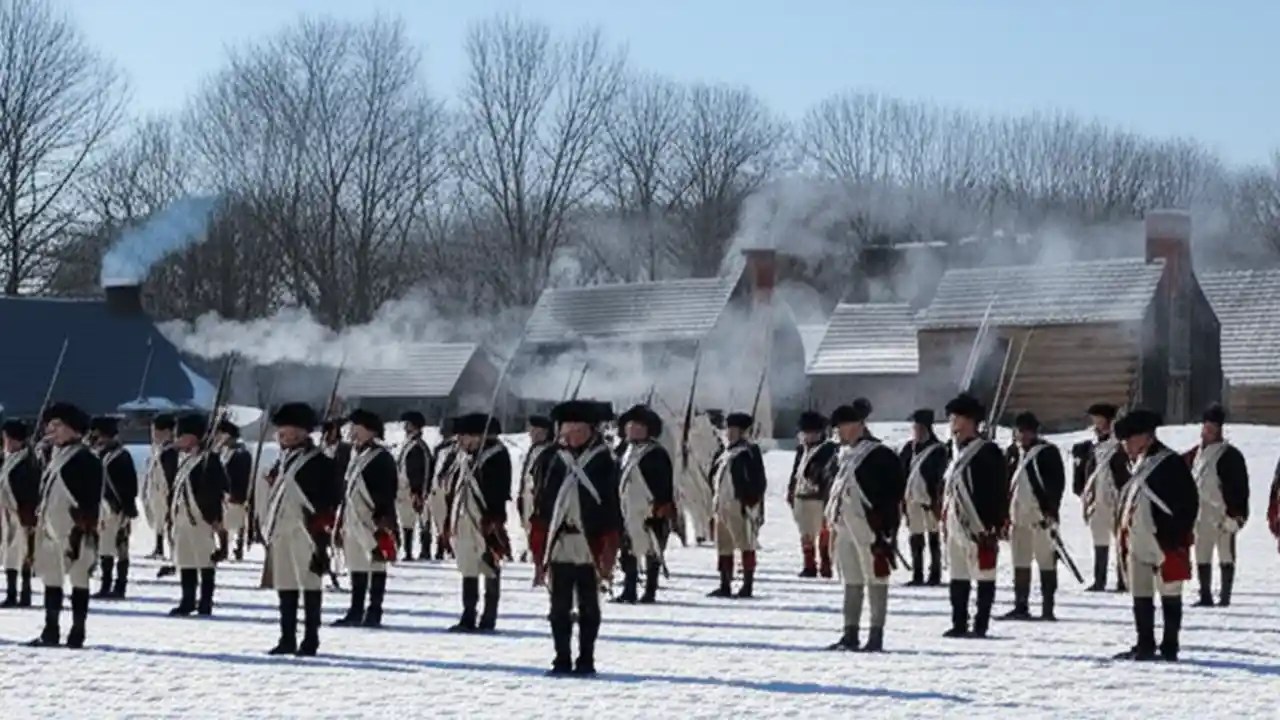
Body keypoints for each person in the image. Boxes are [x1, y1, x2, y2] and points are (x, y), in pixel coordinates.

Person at [530, 399, 621, 675]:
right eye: (567, 430)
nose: (571, 436)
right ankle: (561, 658)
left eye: (578, 430)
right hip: (560, 543)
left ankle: (586, 659)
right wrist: (539, 544)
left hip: (589, 543)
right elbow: (542, 502)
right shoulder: (551, 459)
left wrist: (609, 548)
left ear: (591, 431)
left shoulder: (604, 461)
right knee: (559, 607)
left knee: (589, 605)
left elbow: (612, 508)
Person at [1113, 409, 1199, 661]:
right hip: (1137, 541)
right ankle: (1145, 644)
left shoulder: (1170, 463)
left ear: (1146, 437)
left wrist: (1173, 539)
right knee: (1140, 593)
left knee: (1170, 592)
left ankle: (1170, 646)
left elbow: (1187, 504)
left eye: (1129, 439)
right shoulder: (1137, 465)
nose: (1126, 445)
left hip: (1164, 542)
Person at [823, 399, 905, 652]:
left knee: (876, 579)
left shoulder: (879, 455)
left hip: (870, 527)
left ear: (858, 426)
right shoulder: (841, 457)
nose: (838, 432)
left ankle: (876, 634)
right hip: (844, 525)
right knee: (851, 579)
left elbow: (892, 495)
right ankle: (850, 632)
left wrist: (886, 531)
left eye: (842, 426)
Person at [258, 402, 338, 656]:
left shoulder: (320, 462)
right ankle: (287, 638)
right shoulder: (282, 461)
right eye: (281, 430)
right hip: (281, 530)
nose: (283, 434)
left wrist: (321, 531)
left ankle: (310, 639)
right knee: (286, 585)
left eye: (289, 430)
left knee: (309, 585)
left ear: (303, 432)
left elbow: (329, 498)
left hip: (306, 531)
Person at [29, 402, 103, 648]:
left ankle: (77, 631)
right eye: (50, 425)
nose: (51, 430)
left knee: (79, 580)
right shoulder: (54, 457)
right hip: (50, 529)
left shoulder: (85, 459)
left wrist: (84, 527)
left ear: (74, 429)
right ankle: (50, 630)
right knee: (52, 580)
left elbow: (91, 500)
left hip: (76, 532)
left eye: (57, 425)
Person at [940, 393, 1007, 639]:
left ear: (969, 421)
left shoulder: (988, 452)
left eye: (955, 418)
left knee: (984, 573)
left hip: (979, 524)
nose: (952, 423)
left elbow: (997, 490)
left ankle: (981, 623)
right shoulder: (954, 452)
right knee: (958, 574)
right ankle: (959, 622)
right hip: (955, 522)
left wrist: (993, 523)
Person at [333, 409, 398, 628]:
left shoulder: (382, 458)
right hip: (353, 518)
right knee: (356, 564)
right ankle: (356, 609)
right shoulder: (354, 455)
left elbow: (387, 491)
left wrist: (383, 521)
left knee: (376, 565)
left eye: (356, 427)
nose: (352, 432)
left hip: (373, 518)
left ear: (370, 431)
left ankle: (374, 610)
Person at [447, 413, 511, 633]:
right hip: (465, 518)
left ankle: (489, 615)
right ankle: (468, 614)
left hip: (486, 518)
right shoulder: (467, 457)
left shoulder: (496, 456)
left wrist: (494, 521)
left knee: (490, 566)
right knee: (468, 566)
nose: (459, 441)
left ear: (476, 436)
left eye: (463, 436)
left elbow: (498, 490)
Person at [1183, 403, 1249, 607]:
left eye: (1212, 429)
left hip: (1223, 513)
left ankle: (1225, 596)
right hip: (1201, 514)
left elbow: (1239, 488)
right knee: (1202, 553)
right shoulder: (1196, 454)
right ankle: (1205, 595)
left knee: (1225, 554)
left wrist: (1237, 515)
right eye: (1206, 428)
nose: (1207, 432)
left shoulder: (1229, 455)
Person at [1003, 411, 1066, 621]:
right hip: (1017, 517)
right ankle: (1020, 605)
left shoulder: (1047, 452)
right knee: (1020, 562)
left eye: (1026, 431)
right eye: (1019, 431)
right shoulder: (1012, 453)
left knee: (1046, 562)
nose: (1022, 435)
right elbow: (1005, 484)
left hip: (1041, 518)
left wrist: (1051, 510)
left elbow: (1056, 484)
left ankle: (1048, 608)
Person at [168, 413, 228, 617]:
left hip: (202, 517)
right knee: (186, 560)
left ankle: (205, 601)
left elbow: (218, 489)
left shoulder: (209, 459)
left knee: (205, 561)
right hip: (182, 517)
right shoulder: (186, 461)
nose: (177, 440)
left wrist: (216, 520)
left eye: (181, 436)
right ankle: (187, 600)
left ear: (192, 437)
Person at [614, 404, 675, 604]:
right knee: (627, 549)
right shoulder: (623, 451)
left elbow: (664, 482)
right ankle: (629, 589)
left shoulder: (656, 453)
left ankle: (650, 590)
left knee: (652, 550)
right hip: (626, 507)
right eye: (630, 425)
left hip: (649, 508)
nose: (632, 429)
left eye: (638, 426)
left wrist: (662, 506)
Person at [708, 412, 767, 598]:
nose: (730, 433)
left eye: (734, 430)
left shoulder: (749, 451)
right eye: (729, 429)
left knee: (745, 544)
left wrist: (750, 500)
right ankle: (724, 583)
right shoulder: (723, 453)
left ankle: (747, 585)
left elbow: (758, 480)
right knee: (723, 545)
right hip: (720, 504)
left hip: (739, 504)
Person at [1073, 403, 1131, 592]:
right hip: (1096, 500)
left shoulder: (1119, 446)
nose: (1096, 424)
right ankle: (1100, 580)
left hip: (1116, 499)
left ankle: (1123, 580)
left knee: (1120, 540)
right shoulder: (1092, 447)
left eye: (1099, 420)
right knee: (1099, 541)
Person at [88, 416, 138, 599]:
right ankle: (108, 584)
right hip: (102, 507)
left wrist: (125, 508)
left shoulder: (120, 456)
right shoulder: (100, 455)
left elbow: (130, 485)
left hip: (115, 508)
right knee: (105, 547)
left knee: (117, 547)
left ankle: (118, 586)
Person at [900, 409, 947, 586]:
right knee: (916, 537)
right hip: (912, 499)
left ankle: (935, 574)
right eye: (915, 428)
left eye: (920, 428)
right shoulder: (908, 449)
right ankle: (917, 574)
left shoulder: (938, 450)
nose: (917, 432)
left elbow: (940, 475)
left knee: (933, 537)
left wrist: (936, 499)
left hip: (930, 500)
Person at [787, 411, 837, 578]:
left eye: (812, 432)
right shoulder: (801, 450)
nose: (808, 436)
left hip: (819, 497)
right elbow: (796, 472)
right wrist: (791, 490)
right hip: (802, 496)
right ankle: (809, 565)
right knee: (805, 533)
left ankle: (826, 563)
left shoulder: (828, 449)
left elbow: (829, 474)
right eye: (806, 432)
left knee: (824, 531)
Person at [0, 419, 38, 608]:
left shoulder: (26, 463)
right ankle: (12, 592)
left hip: (22, 515)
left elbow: (30, 491)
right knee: (10, 554)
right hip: (7, 514)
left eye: (7, 438)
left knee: (23, 555)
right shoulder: (9, 460)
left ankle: (24, 593)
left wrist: (29, 518)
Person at [141, 414, 179, 560]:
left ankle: (172, 550)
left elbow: (170, 476)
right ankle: (159, 547)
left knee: (167, 521)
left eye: (156, 431)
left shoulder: (170, 453)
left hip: (164, 492)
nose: (154, 435)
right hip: (156, 493)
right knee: (158, 520)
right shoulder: (159, 451)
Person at [518, 416, 555, 564]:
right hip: (528, 496)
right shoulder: (533, 450)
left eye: (536, 431)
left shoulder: (549, 451)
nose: (532, 434)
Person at [395, 411, 432, 562]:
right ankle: (408, 551)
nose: (405, 427)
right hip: (405, 489)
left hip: (412, 490)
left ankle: (423, 550)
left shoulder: (417, 447)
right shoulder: (409, 444)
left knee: (418, 520)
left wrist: (417, 491)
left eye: (408, 424)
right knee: (406, 520)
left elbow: (417, 471)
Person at [216, 419, 253, 562]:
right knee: (223, 523)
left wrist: (235, 494)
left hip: (235, 494)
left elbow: (242, 476)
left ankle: (238, 548)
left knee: (237, 523)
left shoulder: (240, 453)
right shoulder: (223, 451)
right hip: (224, 494)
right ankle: (224, 549)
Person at [428, 419, 458, 561]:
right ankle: (441, 546)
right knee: (439, 519)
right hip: (438, 488)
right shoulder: (440, 448)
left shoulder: (455, 450)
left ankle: (446, 546)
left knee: (446, 519)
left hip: (447, 489)